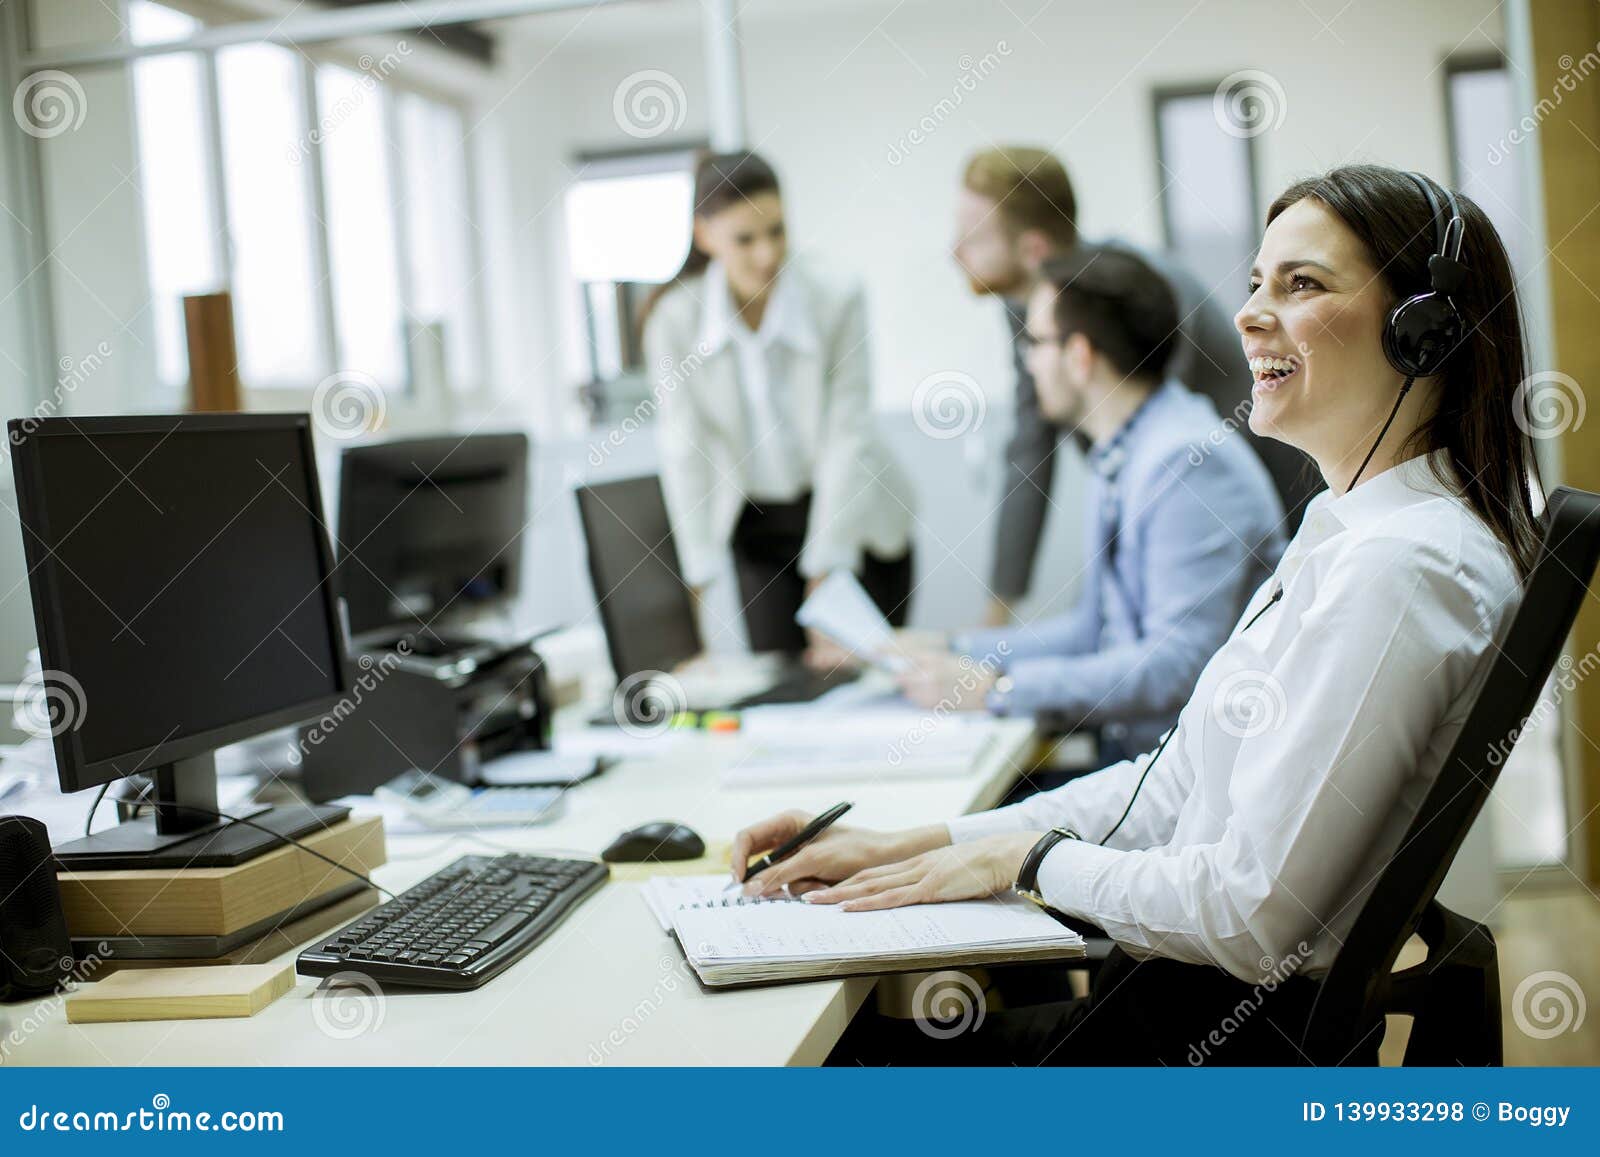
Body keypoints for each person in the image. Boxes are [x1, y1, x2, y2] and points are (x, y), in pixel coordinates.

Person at [730, 164, 1543, 1065]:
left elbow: (1253, 915)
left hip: (1206, 1042)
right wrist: (916, 842)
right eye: (1254, 284)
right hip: (1169, 1003)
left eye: (1301, 283)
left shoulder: (1403, 566)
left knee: (818, 1070)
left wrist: (1025, 859)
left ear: (1421, 332)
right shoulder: (1346, 527)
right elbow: (1169, 784)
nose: (1248, 314)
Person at [894, 247, 1284, 766]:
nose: (1029, 360)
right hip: (1137, 760)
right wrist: (955, 650)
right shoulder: (1123, 446)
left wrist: (1000, 688)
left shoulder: (1188, 464)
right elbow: (1093, 628)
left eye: (1035, 342)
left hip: (1188, 780)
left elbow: (1179, 665)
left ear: (1079, 355)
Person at [953, 146, 1315, 626]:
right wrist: (999, 606)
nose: (954, 251)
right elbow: (1029, 451)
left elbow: (1161, 443)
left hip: (1263, 485)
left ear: (1033, 249)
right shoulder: (1029, 308)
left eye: (971, 237)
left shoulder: (1139, 294)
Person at [641, 151, 914, 656]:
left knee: (859, 681)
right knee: (782, 683)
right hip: (760, 526)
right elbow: (685, 451)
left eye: (777, 232)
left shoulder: (835, 295)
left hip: (856, 516)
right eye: (745, 239)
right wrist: (696, 576)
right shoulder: (675, 322)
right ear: (705, 236)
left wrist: (827, 568)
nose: (767, 254)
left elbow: (847, 432)